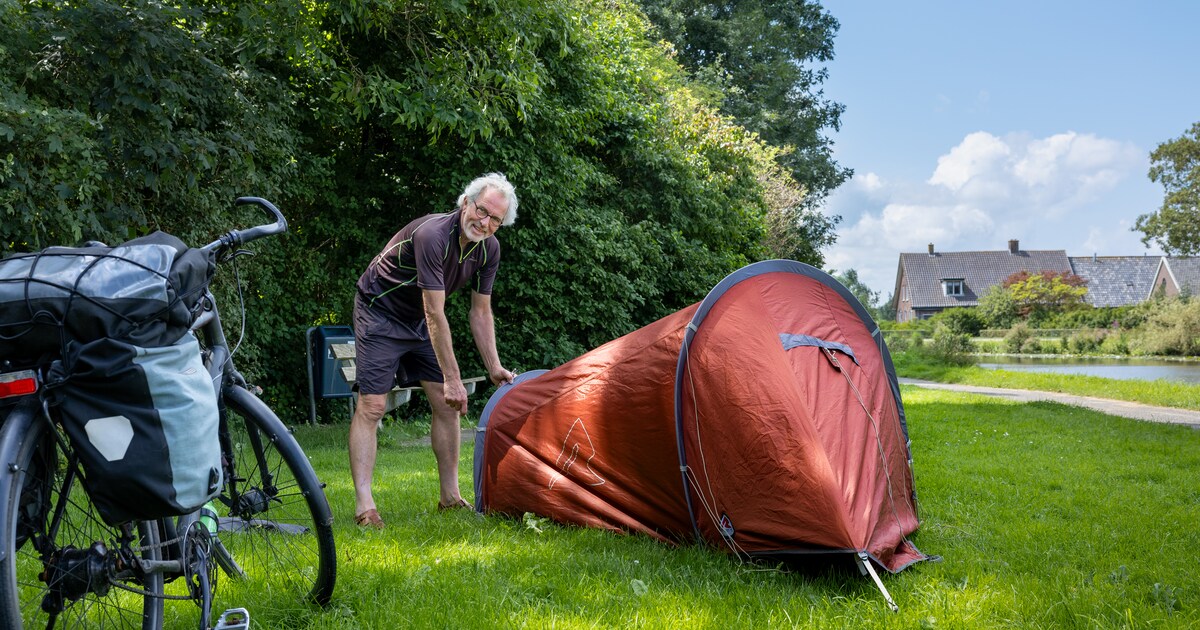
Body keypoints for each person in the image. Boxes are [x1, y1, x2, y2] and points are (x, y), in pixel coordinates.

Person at [349, 173, 519, 528]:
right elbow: (434, 311)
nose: (484, 222)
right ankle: (365, 507)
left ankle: (450, 497)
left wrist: (494, 366)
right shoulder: (433, 235)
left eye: (495, 220)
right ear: (465, 203)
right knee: (373, 405)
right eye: (481, 210)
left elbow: (480, 311)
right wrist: (453, 378)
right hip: (380, 310)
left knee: (446, 403)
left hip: (419, 318)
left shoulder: (489, 249)